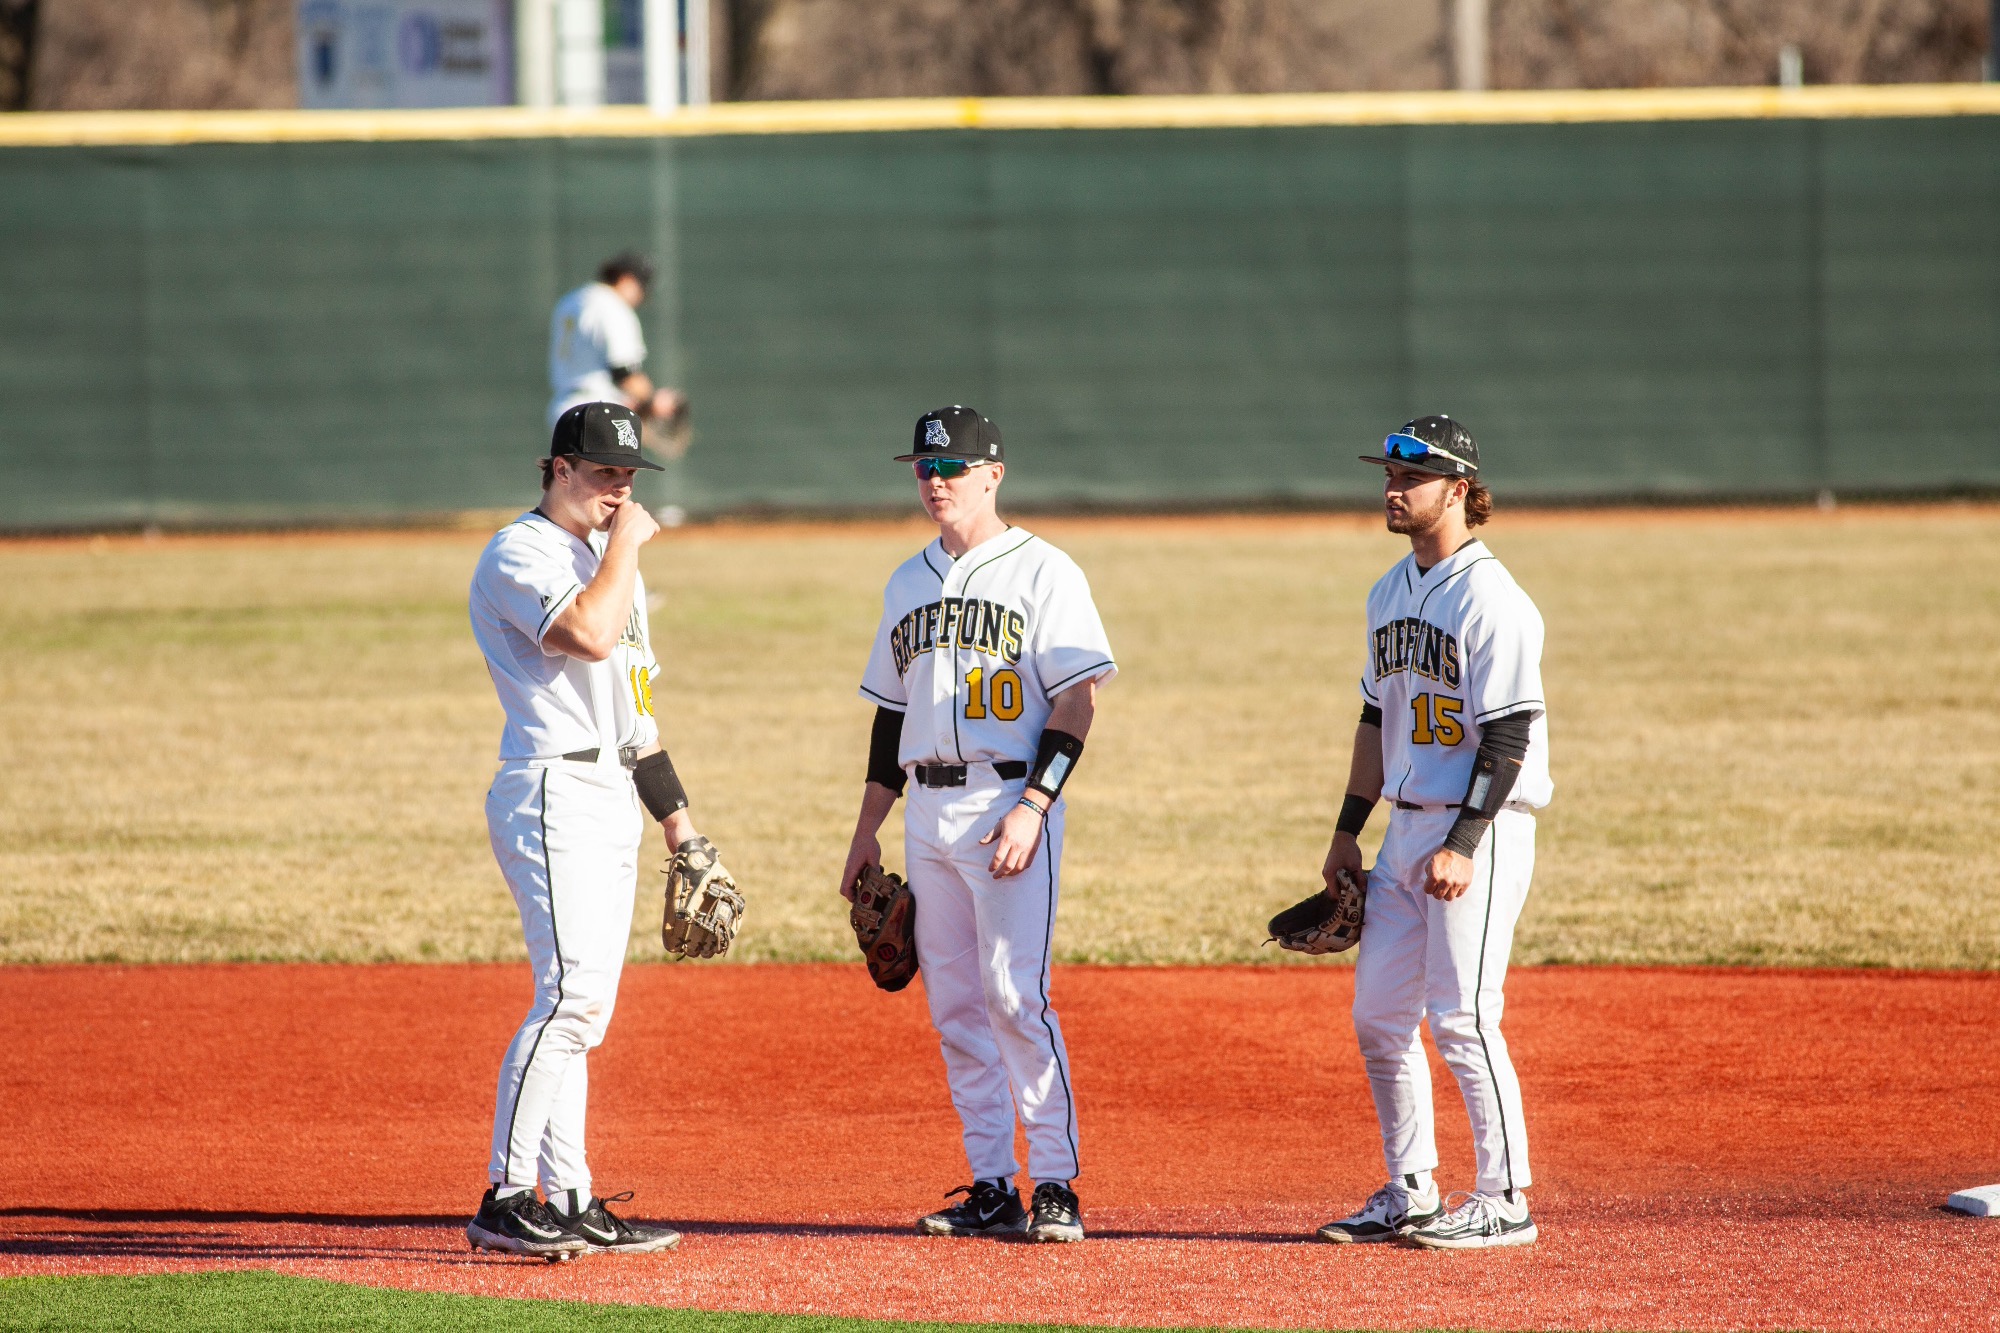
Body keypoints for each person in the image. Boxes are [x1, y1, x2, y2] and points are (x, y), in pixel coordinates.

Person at [841, 407, 1116, 1244]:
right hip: (925, 812)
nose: (935, 481)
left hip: (1008, 804)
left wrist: (1035, 804)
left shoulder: (1045, 571)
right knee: (957, 1005)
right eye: (924, 467)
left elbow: (1077, 699)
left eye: (952, 467)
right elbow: (892, 715)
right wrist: (867, 829)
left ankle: (1056, 1181)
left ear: (994, 473)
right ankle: (993, 1183)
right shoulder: (907, 582)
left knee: (1014, 995)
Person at [464, 401, 724, 1259]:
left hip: (610, 792)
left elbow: (637, 718)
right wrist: (627, 547)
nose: (620, 490)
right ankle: (506, 1196)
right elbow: (586, 633)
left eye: (629, 476)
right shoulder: (520, 551)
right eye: (604, 472)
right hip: (552, 788)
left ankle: (571, 1196)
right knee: (568, 999)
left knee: (585, 1011)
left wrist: (683, 829)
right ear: (558, 469)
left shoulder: (616, 567)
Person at [1314, 415, 1552, 1251]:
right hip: (1405, 833)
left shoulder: (1492, 598)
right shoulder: (1388, 591)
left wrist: (1465, 839)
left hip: (1478, 828)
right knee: (1381, 1017)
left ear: (1459, 490)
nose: (1392, 489)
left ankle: (1505, 1197)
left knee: (1463, 1017)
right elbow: (1375, 718)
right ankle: (1411, 1187)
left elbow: (1510, 732)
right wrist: (1348, 829)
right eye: (1388, 475)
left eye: (1411, 478)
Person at [547, 253, 686, 431]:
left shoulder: (570, 301)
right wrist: (653, 400)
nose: (640, 298)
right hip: (598, 411)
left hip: (563, 409)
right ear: (626, 280)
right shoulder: (612, 305)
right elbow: (623, 371)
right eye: (641, 289)